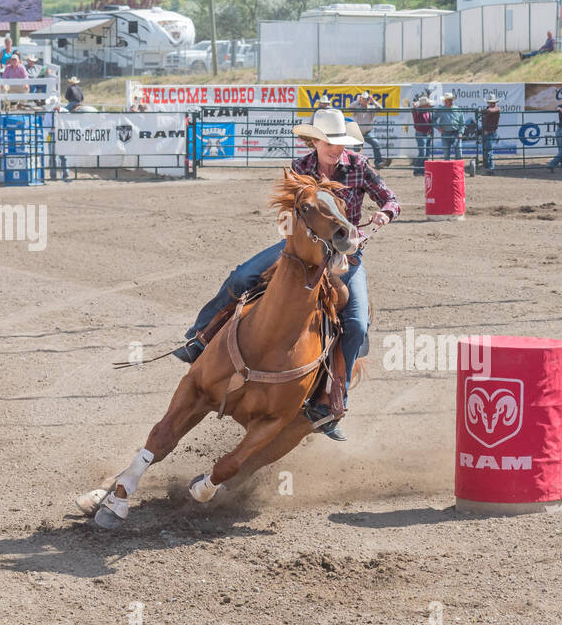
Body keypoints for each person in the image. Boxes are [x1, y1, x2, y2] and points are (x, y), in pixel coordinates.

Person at [172, 108, 400, 442]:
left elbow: (391, 199)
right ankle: (200, 338)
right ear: (315, 142)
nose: (336, 149)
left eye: (340, 143)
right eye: (329, 143)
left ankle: (333, 401)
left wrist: (383, 213)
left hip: (345, 255)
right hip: (300, 249)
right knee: (241, 278)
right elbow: (287, 216)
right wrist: (292, 236)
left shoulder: (359, 167)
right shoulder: (301, 168)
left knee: (355, 324)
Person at [349, 91, 386, 167]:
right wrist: (357, 101)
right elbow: (349, 108)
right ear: (361, 99)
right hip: (358, 132)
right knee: (357, 150)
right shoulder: (356, 108)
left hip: (368, 132)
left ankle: (378, 162)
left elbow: (380, 108)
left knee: (376, 143)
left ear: (369, 100)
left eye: (366, 99)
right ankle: (356, 165)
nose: (365, 100)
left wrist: (374, 101)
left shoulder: (371, 108)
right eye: (363, 99)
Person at [434, 92, 464, 159]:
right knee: (446, 152)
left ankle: (458, 168)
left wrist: (460, 132)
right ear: (445, 101)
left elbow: (462, 122)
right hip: (445, 133)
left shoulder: (457, 109)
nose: (451, 101)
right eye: (449, 100)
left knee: (459, 151)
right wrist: (438, 128)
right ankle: (447, 168)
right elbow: (433, 120)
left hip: (456, 132)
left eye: (451, 100)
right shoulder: (440, 109)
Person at [410, 94, 433, 175]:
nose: (429, 105)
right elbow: (414, 109)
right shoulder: (418, 111)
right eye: (427, 104)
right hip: (421, 133)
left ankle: (422, 171)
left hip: (427, 133)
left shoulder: (427, 111)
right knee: (422, 153)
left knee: (426, 154)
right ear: (424, 105)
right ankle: (417, 170)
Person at [479, 93, 501, 172]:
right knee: (486, 150)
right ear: (488, 103)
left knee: (489, 151)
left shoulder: (496, 109)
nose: (492, 103)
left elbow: (491, 110)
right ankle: (487, 166)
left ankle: (491, 167)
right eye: (491, 102)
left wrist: (482, 111)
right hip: (486, 132)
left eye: (493, 102)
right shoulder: (487, 110)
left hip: (491, 133)